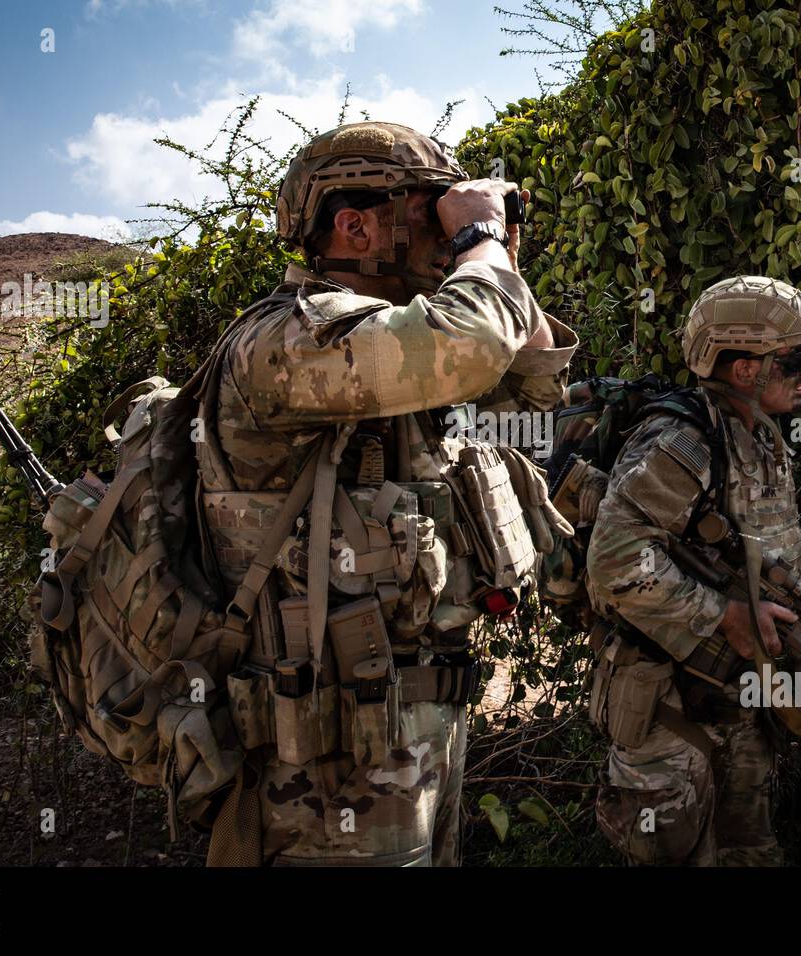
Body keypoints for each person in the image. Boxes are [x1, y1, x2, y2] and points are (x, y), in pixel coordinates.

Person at [195, 121, 577, 866]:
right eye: (429, 208)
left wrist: (499, 252)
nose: (446, 229)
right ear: (355, 224)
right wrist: (479, 241)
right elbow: (467, 349)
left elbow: (533, 391)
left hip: (417, 726)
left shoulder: (398, 342)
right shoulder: (289, 340)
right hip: (327, 761)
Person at [583, 274, 801, 866]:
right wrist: (724, 616)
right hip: (667, 713)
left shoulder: (757, 438)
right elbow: (614, 560)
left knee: (748, 854)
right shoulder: (683, 441)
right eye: (795, 360)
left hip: (734, 703)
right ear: (744, 370)